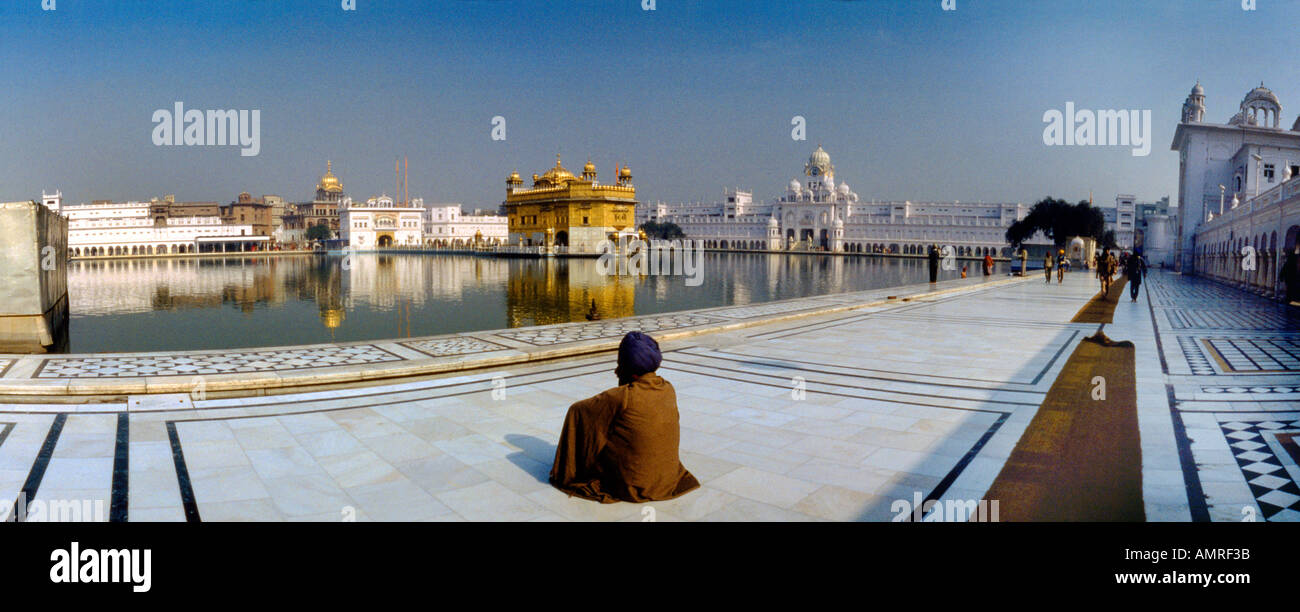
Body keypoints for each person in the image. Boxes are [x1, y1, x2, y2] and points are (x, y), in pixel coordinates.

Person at [550, 332, 700, 503]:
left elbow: (577, 411)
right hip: (667, 479)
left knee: (596, 429)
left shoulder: (623, 396)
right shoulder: (667, 388)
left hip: (633, 484)